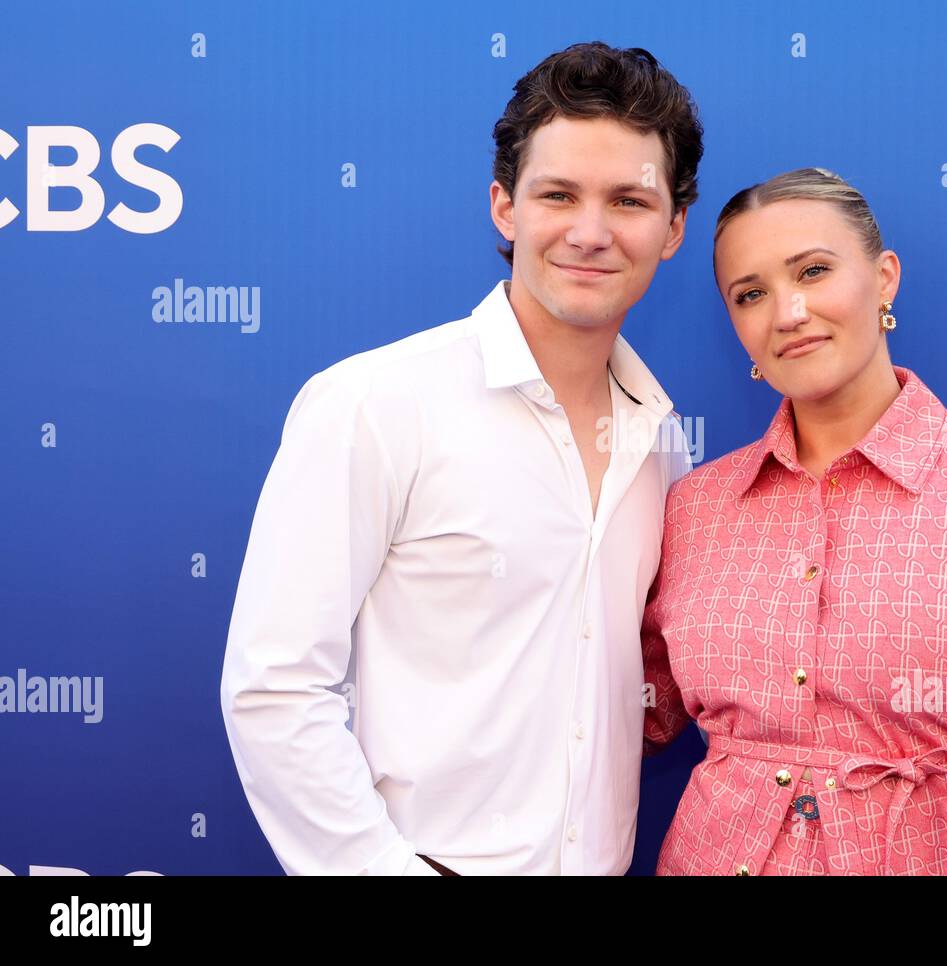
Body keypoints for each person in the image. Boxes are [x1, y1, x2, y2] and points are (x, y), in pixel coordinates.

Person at [220, 41, 702, 875]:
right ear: (505, 209)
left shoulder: (665, 443)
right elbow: (274, 691)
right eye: (559, 195)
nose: (591, 232)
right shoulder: (375, 403)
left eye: (628, 199)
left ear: (673, 229)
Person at [641, 167, 947, 875]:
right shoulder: (694, 505)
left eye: (814, 271)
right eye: (751, 294)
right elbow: (638, 715)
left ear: (884, 278)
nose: (787, 312)